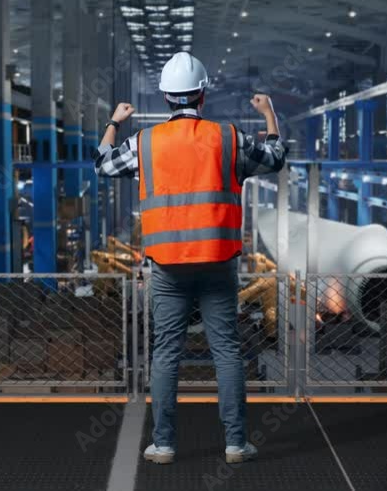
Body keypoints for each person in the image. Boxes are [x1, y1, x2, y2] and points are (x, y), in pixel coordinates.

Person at [94, 52, 287, 465]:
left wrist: (114, 121)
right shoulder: (228, 137)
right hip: (218, 263)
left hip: (166, 266)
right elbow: (275, 157)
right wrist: (270, 114)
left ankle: (163, 445)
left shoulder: (145, 143)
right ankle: (236, 443)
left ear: (166, 97)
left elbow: (103, 164)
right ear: (202, 94)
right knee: (227, 351)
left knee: (166, 352)